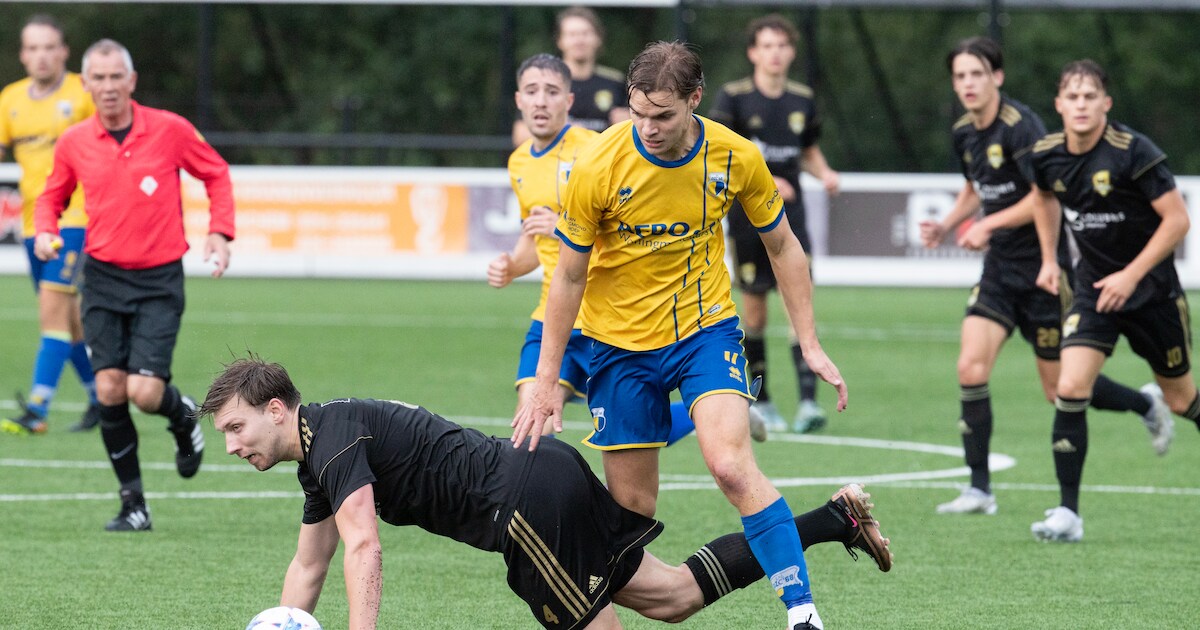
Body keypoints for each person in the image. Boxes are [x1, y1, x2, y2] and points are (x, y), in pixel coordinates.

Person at [512, 42, 849, 630]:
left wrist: (810, 343)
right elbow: (568, 274)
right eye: (638, 113)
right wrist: (546, 381)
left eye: (663, 115)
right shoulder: (598, 164)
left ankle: (803, 614)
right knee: (631, 519)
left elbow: (783, 246)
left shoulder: (734, 156)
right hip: (616, 349)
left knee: (730, 466)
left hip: (704, 331)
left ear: (695, 100)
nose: (649, 128)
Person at [198, 357, 892, 629]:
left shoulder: (335, 435)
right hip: (541, 478)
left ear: (279, 408)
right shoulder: (320, 456)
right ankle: (835, 519)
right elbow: (310, 566)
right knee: (673, 596)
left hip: (525, 508)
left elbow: (363, 547)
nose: (232, 446)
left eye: (237, 427)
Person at [920, 39, 1173, 517]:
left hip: (1043, 273)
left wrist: (998, 229)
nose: (968, 84)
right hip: (998, 272)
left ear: (997, 77)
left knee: (1059, 390)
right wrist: (950, 223)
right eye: (960, 76)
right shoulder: (963, 132)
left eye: (977, 74)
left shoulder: (1022, 129)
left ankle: (1145, 404)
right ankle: (979, 490)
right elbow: (976, 188)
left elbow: (1043, 198)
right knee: (970, 368)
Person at [489, 53, 763, 443]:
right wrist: (513, 265)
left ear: (569, 100)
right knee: (532, 428)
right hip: (554, 314)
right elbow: (536, 241)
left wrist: (565, 227)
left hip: (605, 316)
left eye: (551, 92)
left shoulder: (597, 150)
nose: (540, 101)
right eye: (532, 92)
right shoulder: (518, 163)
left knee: (634, 430)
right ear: (518, 100)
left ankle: (713, 411)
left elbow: (623, 229)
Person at [32, 39, 235, 532]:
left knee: (144, 393)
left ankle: (182, 416)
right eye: (97, 79)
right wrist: (44, 231)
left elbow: (216, 173)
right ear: (85, 85)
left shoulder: (168, 130)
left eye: (114, 77)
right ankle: (134, 505)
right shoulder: (75, 141)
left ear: (131, 81)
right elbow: (51, 195)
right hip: (101, 277)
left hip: (159, 279)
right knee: (108, 389)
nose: (107, 87)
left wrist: (219, 231)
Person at [1029, 59, 1196, 542]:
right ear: (1059, 105)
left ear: (1106, 103)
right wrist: (1048, 259)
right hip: (1093, 290)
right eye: (1072, 97)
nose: (1081, 105)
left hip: (1152, 293)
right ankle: (1068, 515)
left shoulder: (1132, 151)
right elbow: (1042, 198)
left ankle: (1158, 405)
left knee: (1183, 400)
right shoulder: (1046, 154)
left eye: (1090, 96)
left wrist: (1131, 274)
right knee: (1070, 386)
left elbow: (1177, 220)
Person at [708, 14, 841, 435]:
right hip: (747, 218)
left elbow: (808, 151)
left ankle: (807, 403)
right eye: (766, 46)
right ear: (752, 53)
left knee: (799, 300)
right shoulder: (733, 98)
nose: (775, 53)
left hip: (791, 219)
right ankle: (763, 401)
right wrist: (768, 178)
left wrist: (826, 173)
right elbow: (720, 152)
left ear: (791, 52)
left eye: (782, 45)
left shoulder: (802, 99)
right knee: (756, 310)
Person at [0, 15, 100, 435]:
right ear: (23, 55)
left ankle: (38, 408)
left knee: (52, 314)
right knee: (69, 319)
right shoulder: (10, 99)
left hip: (77, 218)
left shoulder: (84, 92)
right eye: (33, 48)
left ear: (64, 52)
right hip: (32, 224)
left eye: (49, 47)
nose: (41, 56)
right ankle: (101, 398)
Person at [511, 6, 630, 147]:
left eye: (585, 33)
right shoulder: (544, 82)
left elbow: (639, 131)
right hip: (556, 165)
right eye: (572, 34)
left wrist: (628, 126)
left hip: (603, 165)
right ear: (559, 41)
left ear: (598, 38)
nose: (579, 40)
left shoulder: (615, 82)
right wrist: (561, 131)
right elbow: (520, 136)